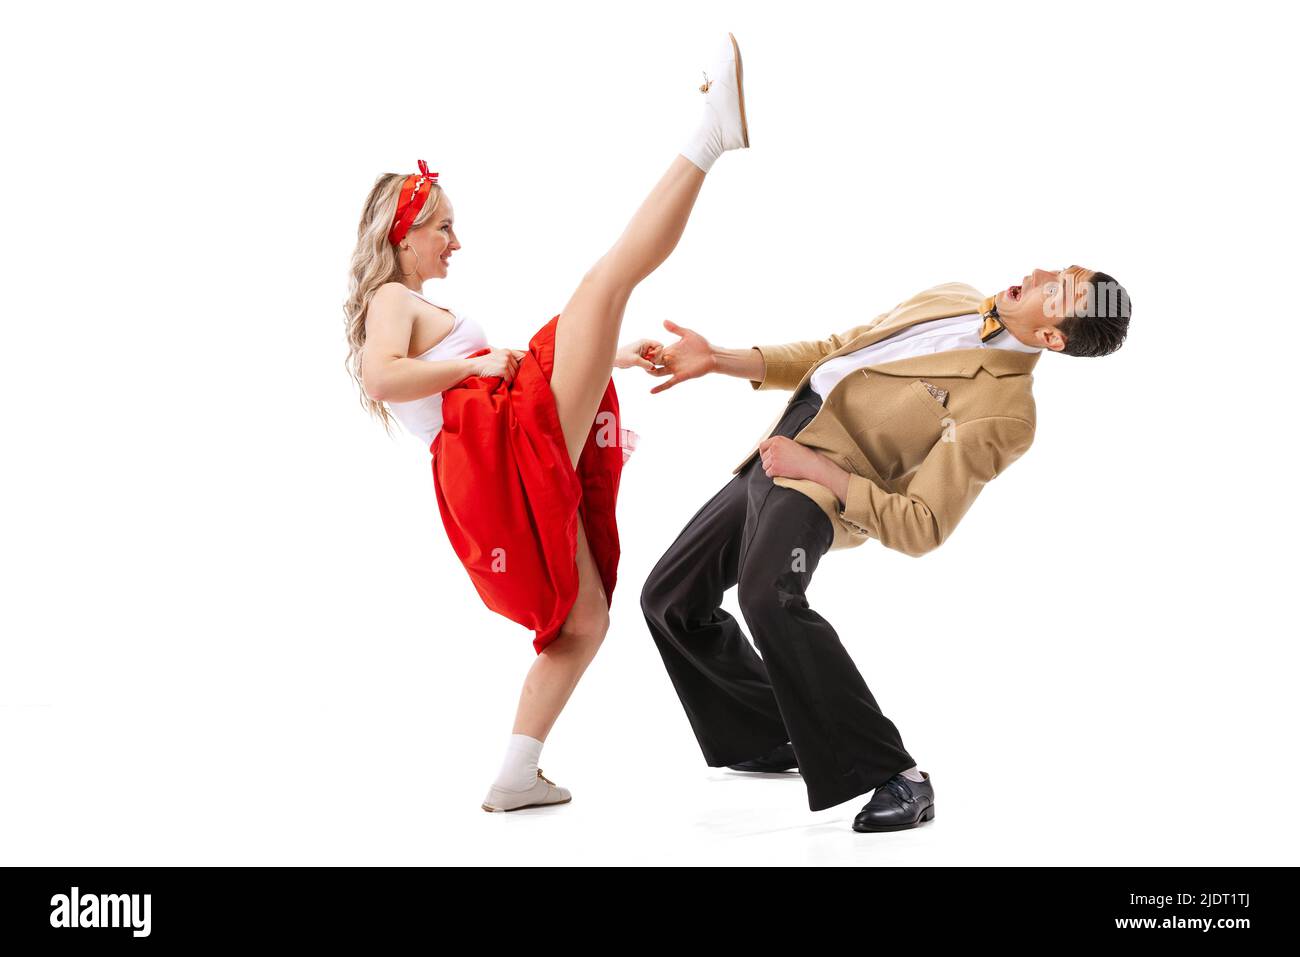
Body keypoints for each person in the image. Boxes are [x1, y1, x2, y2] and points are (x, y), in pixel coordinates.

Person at [342, 34, 752, 812]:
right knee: (606, 278)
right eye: (443, 229)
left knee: (585, 622)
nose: (455, 242)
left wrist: (609, 358)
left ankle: (515, 774)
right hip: (490, 457)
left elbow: (478, 370)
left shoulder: (415, 305)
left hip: (494, 452)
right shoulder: (390, 300)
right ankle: (711, 137)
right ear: (403, 235)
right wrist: (470, 368)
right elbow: (382, 376)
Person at [638, 268, 1131, 831]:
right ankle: (773, 733)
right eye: (1057, 269)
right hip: (776, 453)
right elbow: (833, 354)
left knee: (769, 595)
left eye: (1056, 290)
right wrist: (721, 359)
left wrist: (819, 469)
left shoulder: (1005, 409)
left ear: (1051, 337)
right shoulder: (950, 297)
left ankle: (897, 776)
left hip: (819, 488)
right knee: (670, 598)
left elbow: (922, 524)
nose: (1039, 272)